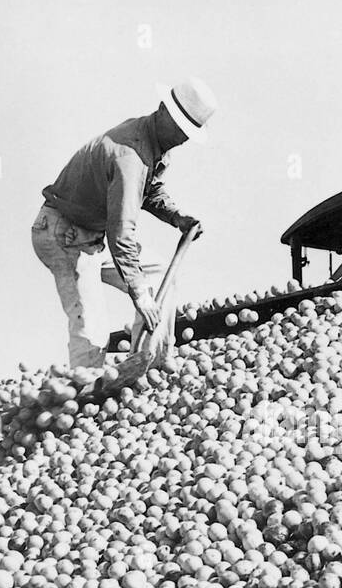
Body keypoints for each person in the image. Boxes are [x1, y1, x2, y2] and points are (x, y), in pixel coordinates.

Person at [32, 78, 217, 377]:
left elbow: (150, 191)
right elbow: (121, 232)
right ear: (162, 111)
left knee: (157, 275)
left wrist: (178, 218)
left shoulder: (153, 141)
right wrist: (139, 293)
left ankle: (149, 363)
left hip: (91, 235)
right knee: (92, 325)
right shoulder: (130, 154)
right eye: (181, 130)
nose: (183, 140)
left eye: (189, 134)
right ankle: (82, 397)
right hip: (62, 233)